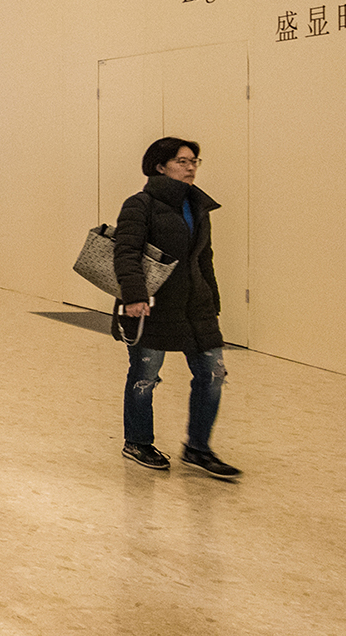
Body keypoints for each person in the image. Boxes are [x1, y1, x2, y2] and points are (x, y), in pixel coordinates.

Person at [114, 137, 239, 478]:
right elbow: (125, 253)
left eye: (195, 161)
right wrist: (135, 296)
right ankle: (137, 441)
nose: (191, 167)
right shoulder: (140, 205)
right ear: (160, 166)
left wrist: (212, 299)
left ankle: (198, 448)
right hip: (153, 305)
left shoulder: (198, 206)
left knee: (212, 374)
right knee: (145, 377)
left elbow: (204, 258)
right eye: (182, 161)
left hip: (195, 305)